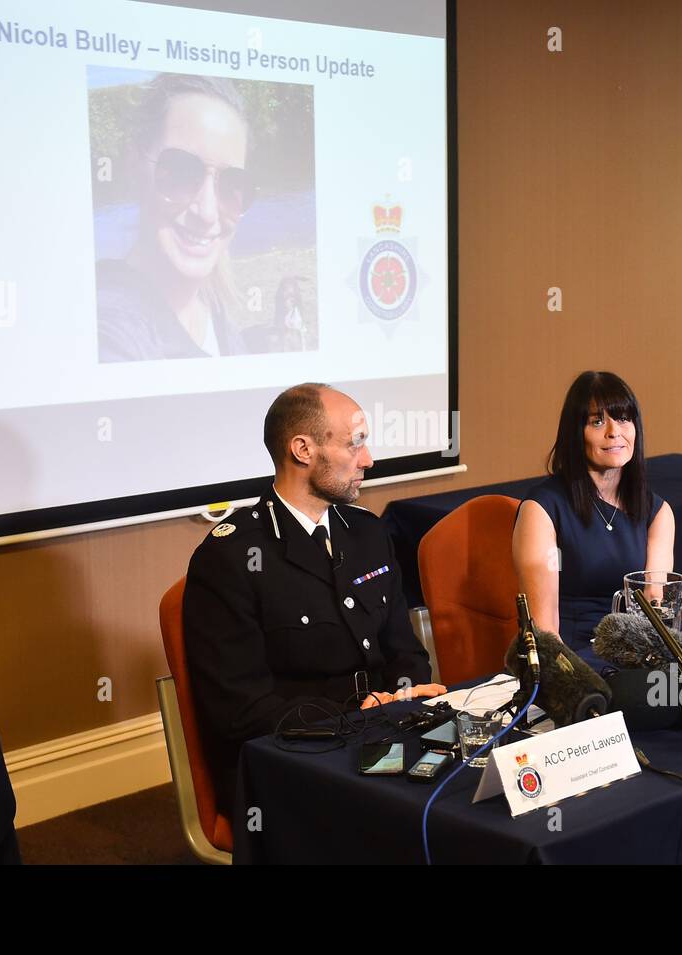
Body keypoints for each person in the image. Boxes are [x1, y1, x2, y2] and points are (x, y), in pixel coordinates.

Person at [182, 383, 445, 803]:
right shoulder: (232, 556)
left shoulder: (367, 532)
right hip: (294, 757)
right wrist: (354, 716)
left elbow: (405, 652)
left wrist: (406, 697)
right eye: (355, 444)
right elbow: (240, 712)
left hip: (383, 732)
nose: (369, 460)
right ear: (303, 450)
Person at [511, 371, 676, 656]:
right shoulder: (542, 509)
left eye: (623, 418)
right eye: (597, 421)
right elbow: (544, 631)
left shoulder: (657, 512)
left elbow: (655, 607)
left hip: (630, 655)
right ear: (576, 434)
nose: (614, 431)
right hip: (570, 658)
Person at [97, 73, 256, 361]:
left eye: (233, 184)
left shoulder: (216, 314)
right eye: (181, 172)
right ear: (134, 165)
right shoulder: (109, 330)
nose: (207, 212)